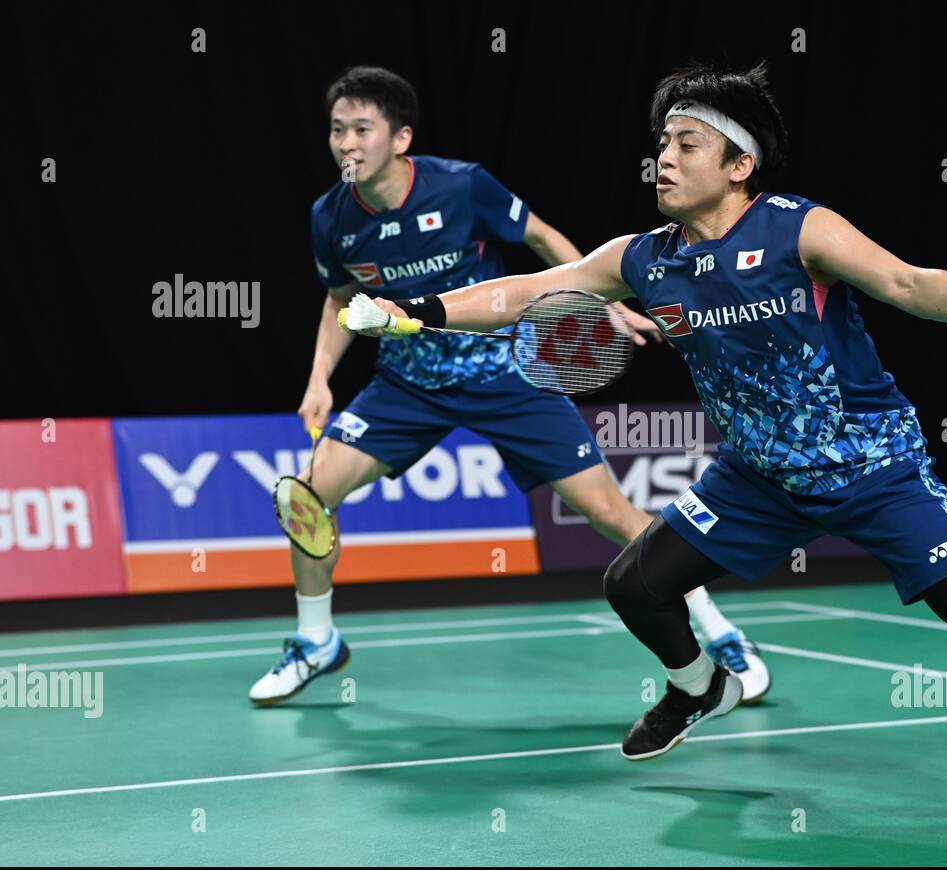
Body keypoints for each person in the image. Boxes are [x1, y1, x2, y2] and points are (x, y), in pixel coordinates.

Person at [370, 63, 947, 842]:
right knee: (634, 583)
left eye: (684, 143)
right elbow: (525, 291)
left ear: (738, 164)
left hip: (875, 471)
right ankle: (702, 685)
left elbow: (913, 285)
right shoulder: (646, 259)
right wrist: (419, 310)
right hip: (759, 481)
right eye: (660, 144)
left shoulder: (797, 230)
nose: (661, 159)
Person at [249, 66, 769, 706]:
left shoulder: (463, 186)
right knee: (309, 497)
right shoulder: (330, 217)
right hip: (407, 385)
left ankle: (717, 633)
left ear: (401, 137)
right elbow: (339, 300)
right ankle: (315, 640)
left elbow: (548, 241)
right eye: (337, 130)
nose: (346, 144)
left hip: (505, 374)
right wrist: (319, 380)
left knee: (611, 514)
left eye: (362, 129)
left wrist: (601, 301)